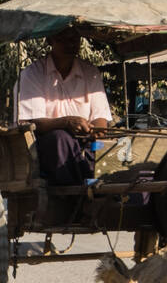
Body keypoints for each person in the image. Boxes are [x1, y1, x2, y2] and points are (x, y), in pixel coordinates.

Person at [13, 27, 112, 186]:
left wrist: (97, 131)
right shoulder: (32, 74)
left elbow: (101, 118)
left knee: (112, 147)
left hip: (85, 145)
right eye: (62, 38)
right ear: (49, 40)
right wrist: (65, 123)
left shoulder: (90, 73)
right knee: (60, 138)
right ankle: (82, 192)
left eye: (74, 38)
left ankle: (100, 187)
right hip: (45, 148)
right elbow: (32, 122)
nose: (69, 43)